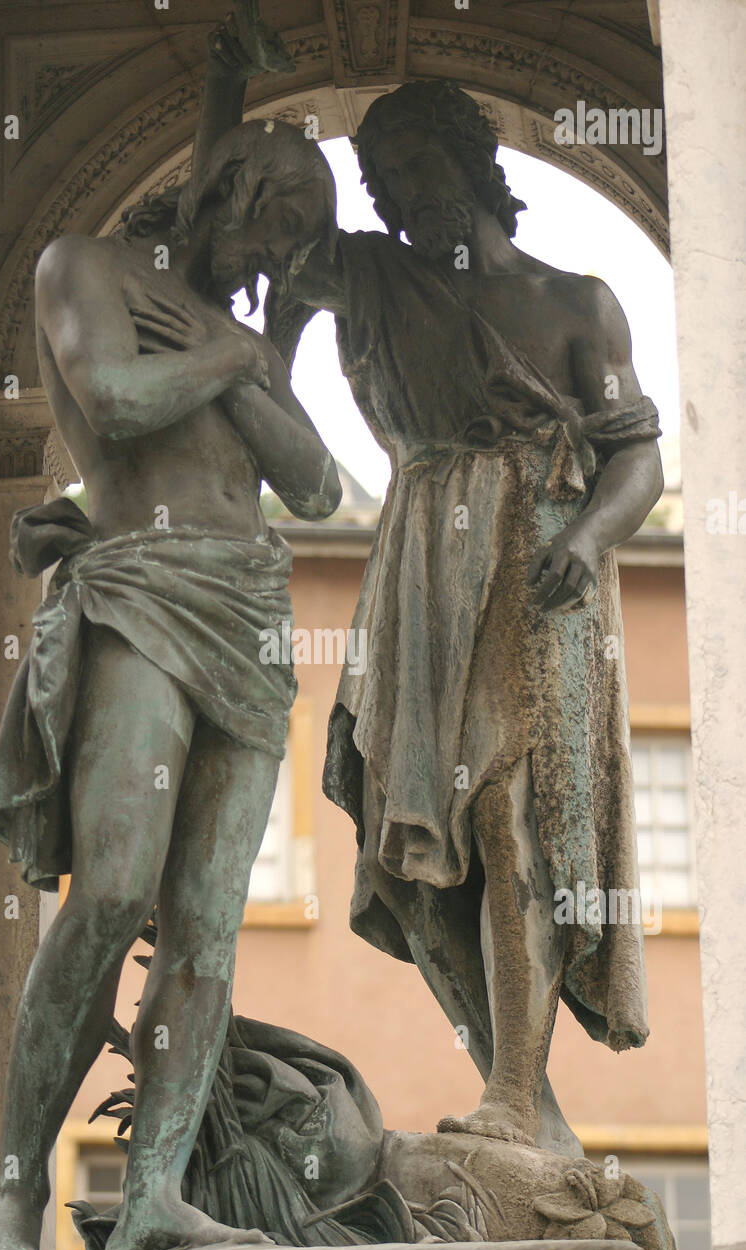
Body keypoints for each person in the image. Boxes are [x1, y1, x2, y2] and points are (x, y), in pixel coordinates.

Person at [197, 33, 663, 1157]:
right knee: (415, 850)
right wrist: (224, 87)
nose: (403, 207)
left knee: (513, 822)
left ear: (467, 161)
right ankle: (524, 1100)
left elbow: (634, 458)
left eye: (416, 176)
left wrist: (592, 535)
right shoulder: (366, 272)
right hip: (418, 564)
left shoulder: (576, 303)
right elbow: (233, 218)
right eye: (386, 188)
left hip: (541, 570)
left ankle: (512, 1085)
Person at [0, 118, 341, 1250]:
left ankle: (157, 1194)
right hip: (139, 586)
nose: (284, 253)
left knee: (205, 933)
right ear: (231, 186)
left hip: (248, 615)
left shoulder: (230, 329)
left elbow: (318, 484)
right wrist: (232, 359)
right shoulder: (81, 264)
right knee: (114, 884)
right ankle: (12, 1197)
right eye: (284, 218)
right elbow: (117, 403)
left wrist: (241, 355)